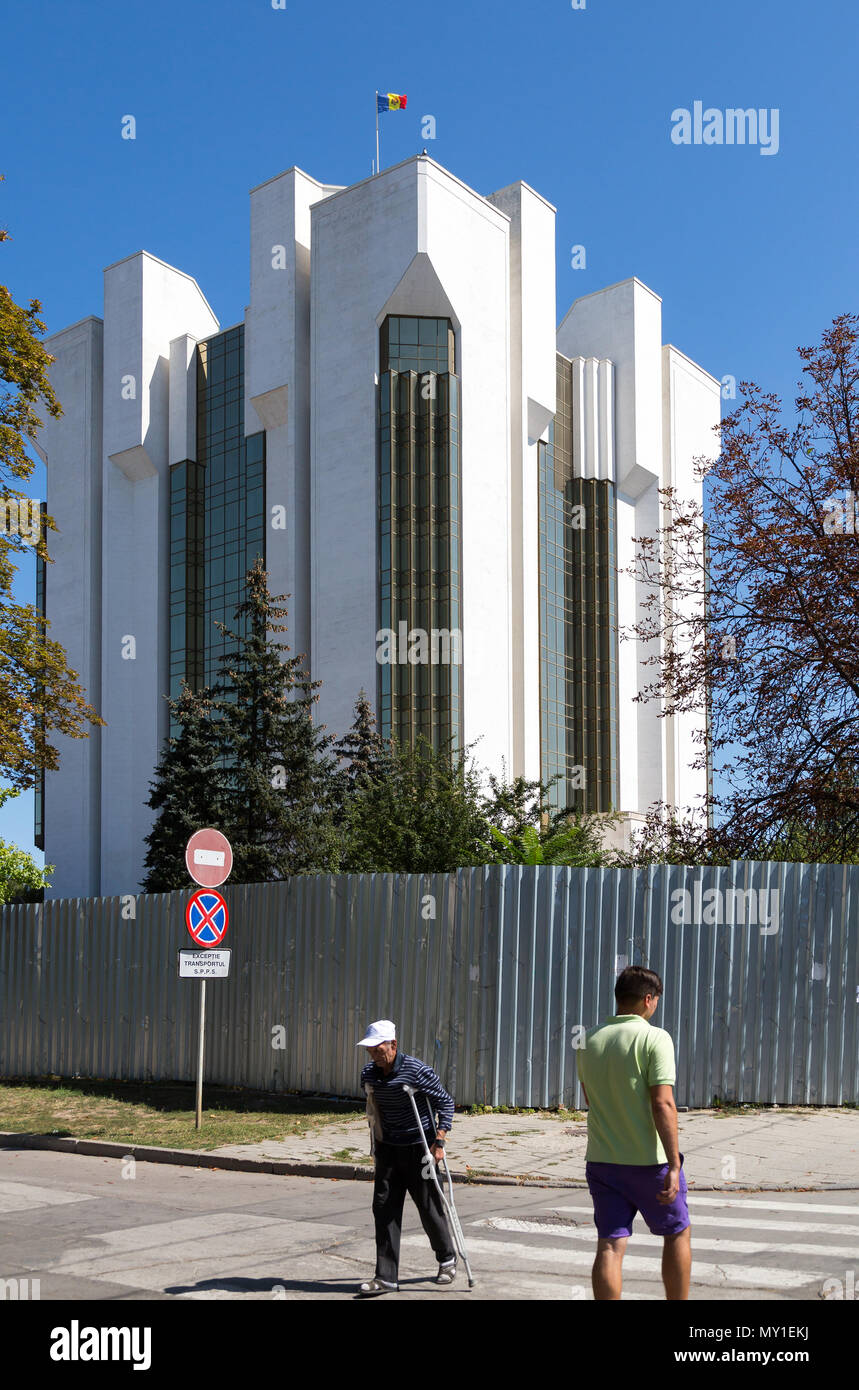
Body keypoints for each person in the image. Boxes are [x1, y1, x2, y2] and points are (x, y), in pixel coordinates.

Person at [575, 965, 692, 1300]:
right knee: (677, 1234)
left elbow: (589, 1098)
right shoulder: (655, 1038)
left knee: (610, 1245)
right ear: (648, 999)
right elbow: (663, 1104)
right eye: (655, 1001)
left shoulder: (589, 1040)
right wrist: (673, 1164)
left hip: (602, 1162)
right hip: (649, 1163)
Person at [356, 1019, 456, 1296]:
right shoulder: (368, 1074)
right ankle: (386, 1277)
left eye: (379, 1049)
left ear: (393, 1045)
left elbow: (445, 1102)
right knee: (384, 1210)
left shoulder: (416, 1070)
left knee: (429, 1208)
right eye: (370, 1050)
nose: (375, 1055)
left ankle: (447, 1259)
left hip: (419, 1148)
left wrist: (439, 1142)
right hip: (388, 1148)